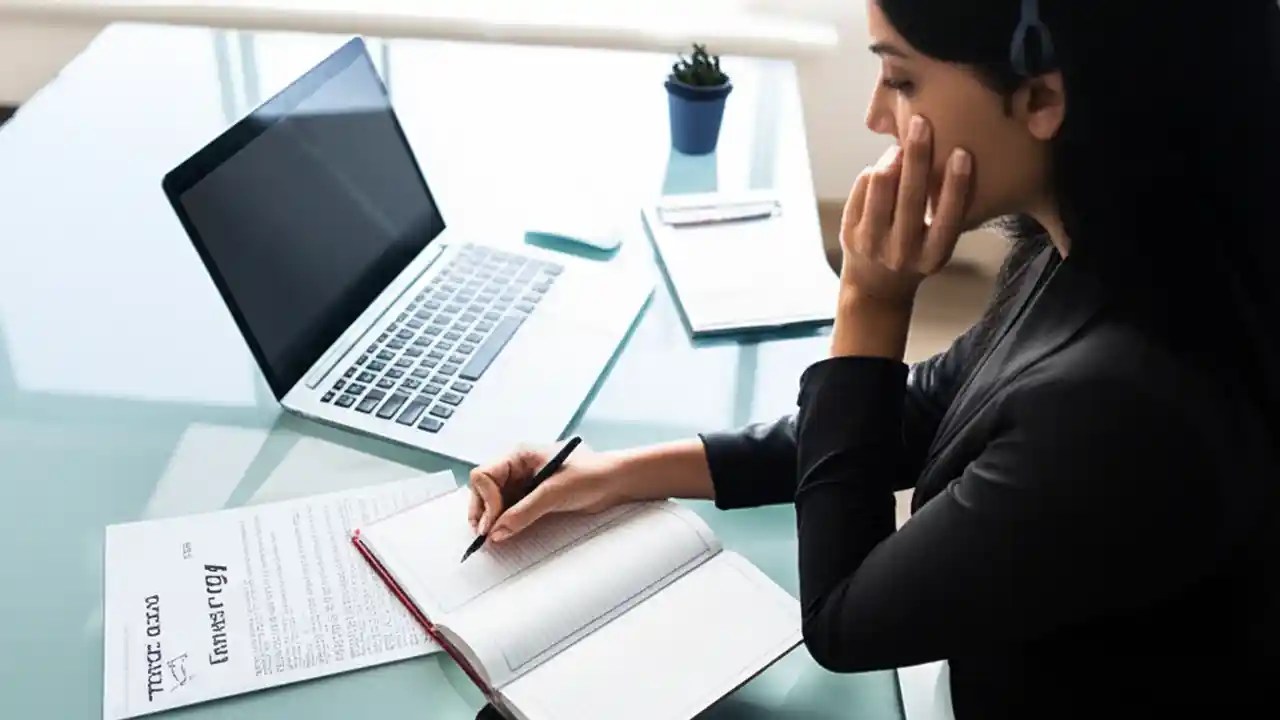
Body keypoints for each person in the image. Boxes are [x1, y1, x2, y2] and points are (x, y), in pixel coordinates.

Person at [467, 1, 1279, 717]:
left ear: (1043, 96)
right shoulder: (1102, 247)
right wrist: (613, 475)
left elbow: (841, 623)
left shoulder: (1121, 406)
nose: (873, 116)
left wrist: (872, 303)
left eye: (900, 80)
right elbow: (915, 415)